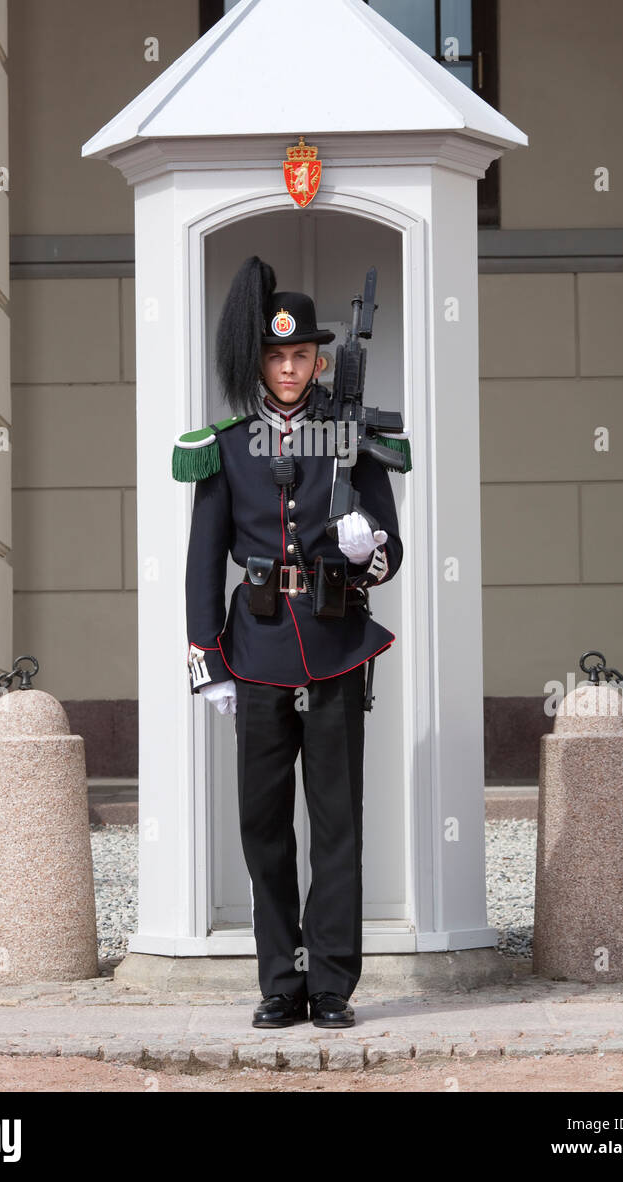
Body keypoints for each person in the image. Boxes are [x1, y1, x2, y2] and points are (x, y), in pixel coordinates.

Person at [172, 256, 410, 1029]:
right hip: (259, 648)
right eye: (275, 356)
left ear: (319, 360)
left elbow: (390, 550)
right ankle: (282, 979)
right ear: (260, 360)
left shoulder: (354, 438)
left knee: (337, 821)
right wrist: (207, 659)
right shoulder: (228, 446)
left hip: (336, 640)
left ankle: (333, 983)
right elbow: (204, 556)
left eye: (300, 354)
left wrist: (364, 543)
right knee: (264, 824)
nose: (286, 367)